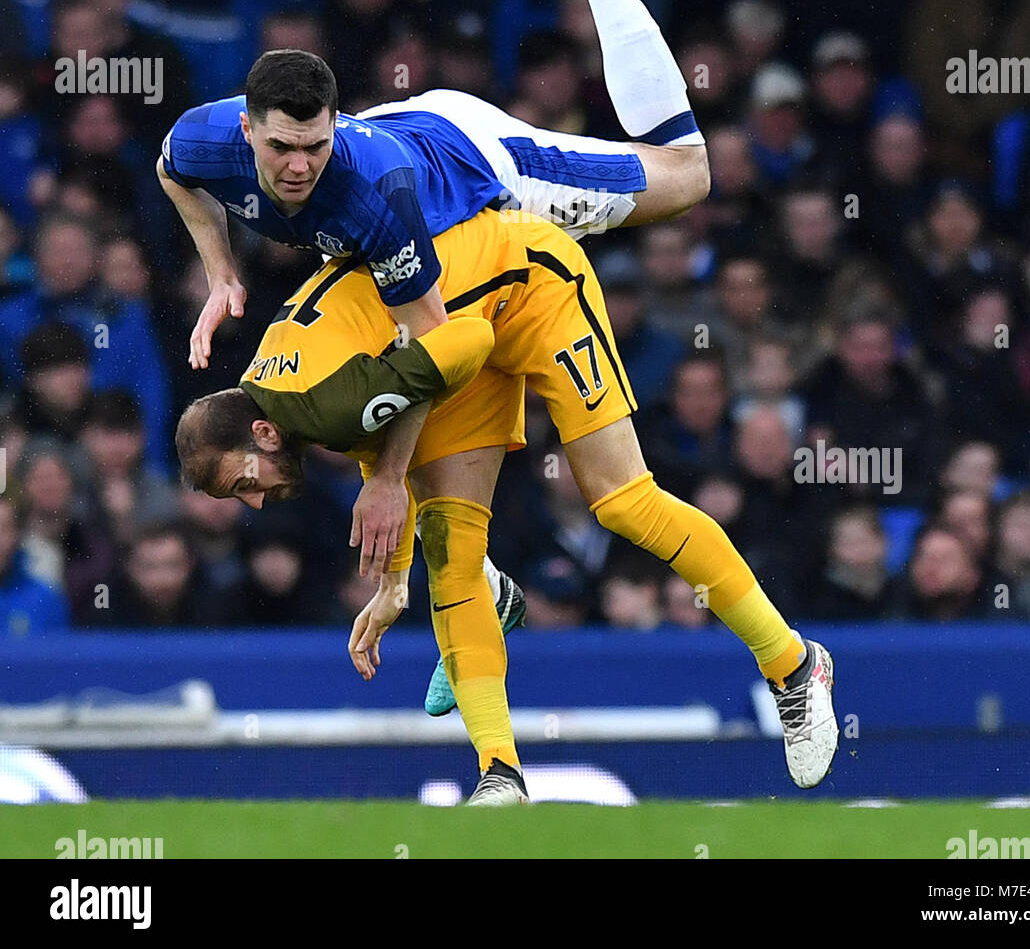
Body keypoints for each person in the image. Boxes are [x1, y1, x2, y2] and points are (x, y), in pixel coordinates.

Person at [175, 204, 839, 804]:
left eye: (244, 482)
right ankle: (501, 774)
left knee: (621, 499)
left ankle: (794, 665)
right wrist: (394, 583)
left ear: (262, 433)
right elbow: (387, 412)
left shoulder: (317, 404)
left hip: (528, 289)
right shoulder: (276, 388)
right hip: (456, 330)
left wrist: (387, 483)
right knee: (451, 549)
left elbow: (452, 356)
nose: (256, 502)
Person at [157, 0, 708, 375]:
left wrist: (387, 473)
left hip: (476, 162)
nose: (298, 166)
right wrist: (221, 273)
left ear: (332, 129)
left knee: (687, 176)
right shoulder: (200, 139)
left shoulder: (372, 198)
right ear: (246, 129)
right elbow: (172, 174)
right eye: (281, 147)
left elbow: (434, 348)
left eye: (313, 147)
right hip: (403, 135)